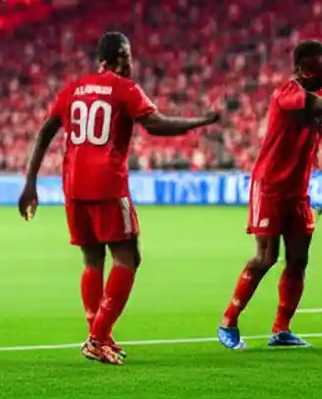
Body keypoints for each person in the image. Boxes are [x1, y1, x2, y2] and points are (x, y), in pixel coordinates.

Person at [19, 31, 221, 365]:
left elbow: (45, 131)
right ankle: (97, 338)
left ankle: (98, 334)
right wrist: (199, 121)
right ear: (119, 57)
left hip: (72, 186)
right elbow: (154, 125)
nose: (131, 62)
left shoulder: (73, 89)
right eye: (128, 55)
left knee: (92, 259)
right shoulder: (124, 88)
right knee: (129, 258)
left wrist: (30, 184)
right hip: (107, 184)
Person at [216, 40, 322, 351]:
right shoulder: (288, 92)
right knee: (265, 257)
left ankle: (281, 329)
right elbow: (319, 107)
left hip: (297, 189)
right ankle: (228, 321)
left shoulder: (320, 89)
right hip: (270, 185)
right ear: (307, 69)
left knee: (298, 260)